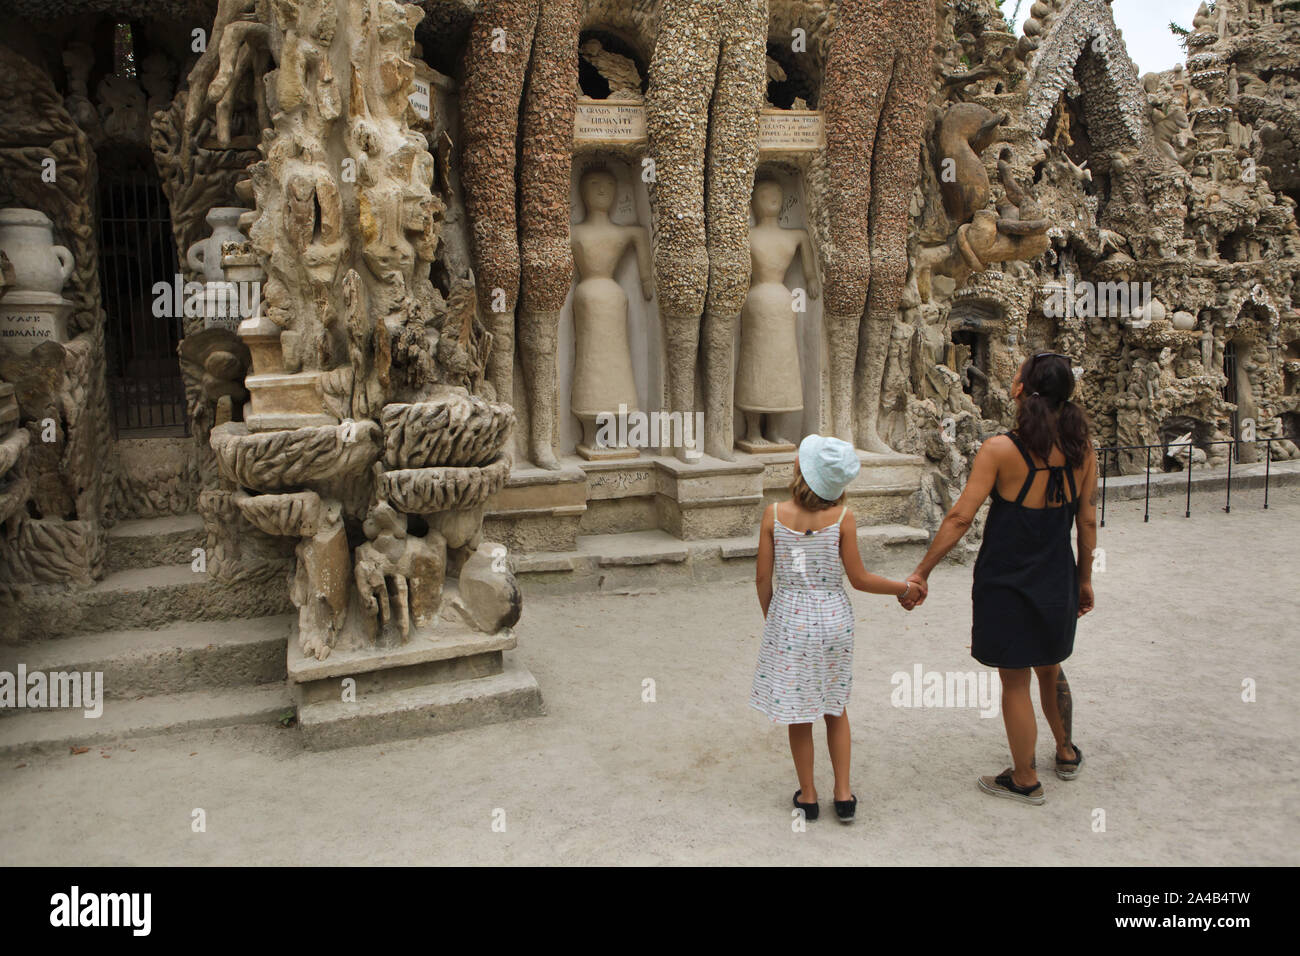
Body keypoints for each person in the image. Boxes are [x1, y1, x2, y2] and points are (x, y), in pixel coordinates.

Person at [902, 353, 1097, 805]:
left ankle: (1025, 778)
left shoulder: (1000, 450)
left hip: (1007, 582)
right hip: (1056, 578)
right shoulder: (1082, 448)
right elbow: (1087, 523)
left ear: (1020, 391)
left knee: (1015, 682)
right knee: (1050, 666)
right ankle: (1065, 751)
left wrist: (922, 571)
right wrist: (1084, 580)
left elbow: (959, 517)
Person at [751, 434, 924, 823]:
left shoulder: (773, 515)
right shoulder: (844, 519)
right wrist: (904, 588)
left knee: (799, 713)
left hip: (790, 619)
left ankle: (808, 796)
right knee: (835, 706)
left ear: (800, 470)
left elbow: (762, 580)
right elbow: (859, 579)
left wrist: (775, 620)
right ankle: (843, 794)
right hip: (833, 620)